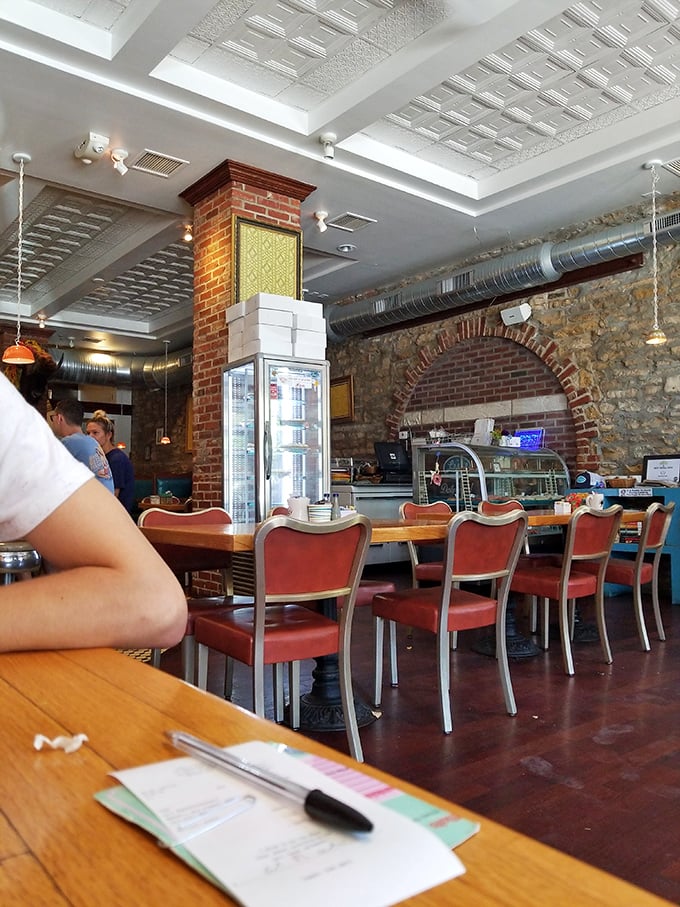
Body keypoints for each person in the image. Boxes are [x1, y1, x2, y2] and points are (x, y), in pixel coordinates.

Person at [0, 370, 186, 652]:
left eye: (96, 433)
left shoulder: (79, 446)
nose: (92, 437)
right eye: (91, 432)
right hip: (113, 521)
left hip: (100, 524)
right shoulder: (95, 450)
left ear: (59, 419)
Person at [51, 399, 115, 494]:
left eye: (53, 417)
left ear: (60, 418)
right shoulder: (91, 442)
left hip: (92, 505)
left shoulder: (69, 442)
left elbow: (50, 476)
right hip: (107, 503)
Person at [86, 409, 135, 513]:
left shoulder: (116, 459)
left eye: (95, 433)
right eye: (88, 433)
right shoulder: (101, 458)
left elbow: (113, 495)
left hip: (118, 516)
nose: (90, 436)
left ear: (108, 435)